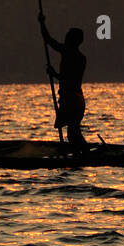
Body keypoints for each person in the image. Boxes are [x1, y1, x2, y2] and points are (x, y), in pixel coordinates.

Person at [38, 12, 87, 148]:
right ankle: (83, 153)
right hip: (78, 99)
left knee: (72, 133)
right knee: (74, 131)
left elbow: (48, 40)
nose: (65, 37)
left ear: (72, 40)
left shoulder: (68, 52)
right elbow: (71, 80)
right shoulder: (81, 57)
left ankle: (83, 155)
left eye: (68, 36)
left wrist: (42, 23)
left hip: (71, 99)